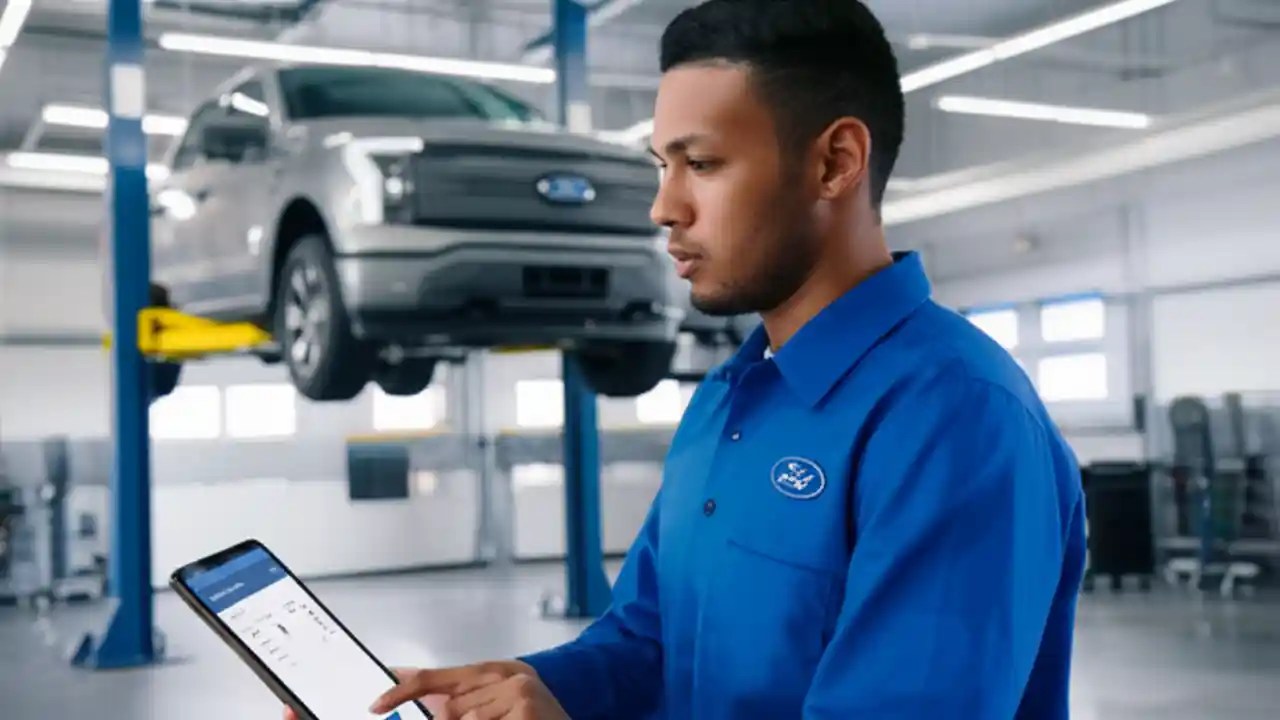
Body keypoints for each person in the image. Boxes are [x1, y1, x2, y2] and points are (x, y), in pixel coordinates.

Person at [291, 0, 1088, 718]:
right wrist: (508, 695)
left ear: (835, 162)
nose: (664, 208)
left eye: (700, 164)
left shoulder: (952, 416)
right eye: (660, 166)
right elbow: (649, 639)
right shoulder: (732, 398)